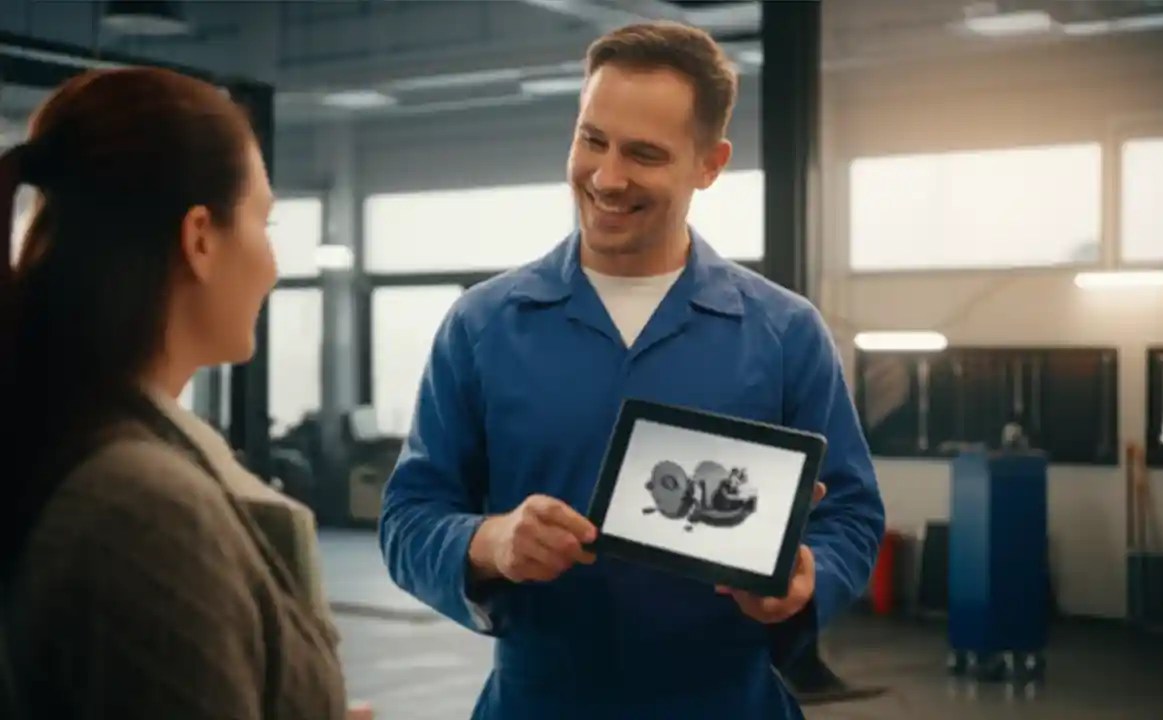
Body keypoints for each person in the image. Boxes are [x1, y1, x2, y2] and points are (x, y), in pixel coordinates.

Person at [379, 21, 885, 719]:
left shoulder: (783, 332)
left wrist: (807, 580)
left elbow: (852, 515)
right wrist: (489, 541)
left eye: (644, 154)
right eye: (593, 140)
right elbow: (408, 517)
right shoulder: (483, 326)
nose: (607, 178)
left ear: (710, 164)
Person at [0, 67, 348, 718]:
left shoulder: (92, 451)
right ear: (199, 239)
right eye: (263, 225)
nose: (272, 266)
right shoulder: (145, 513)